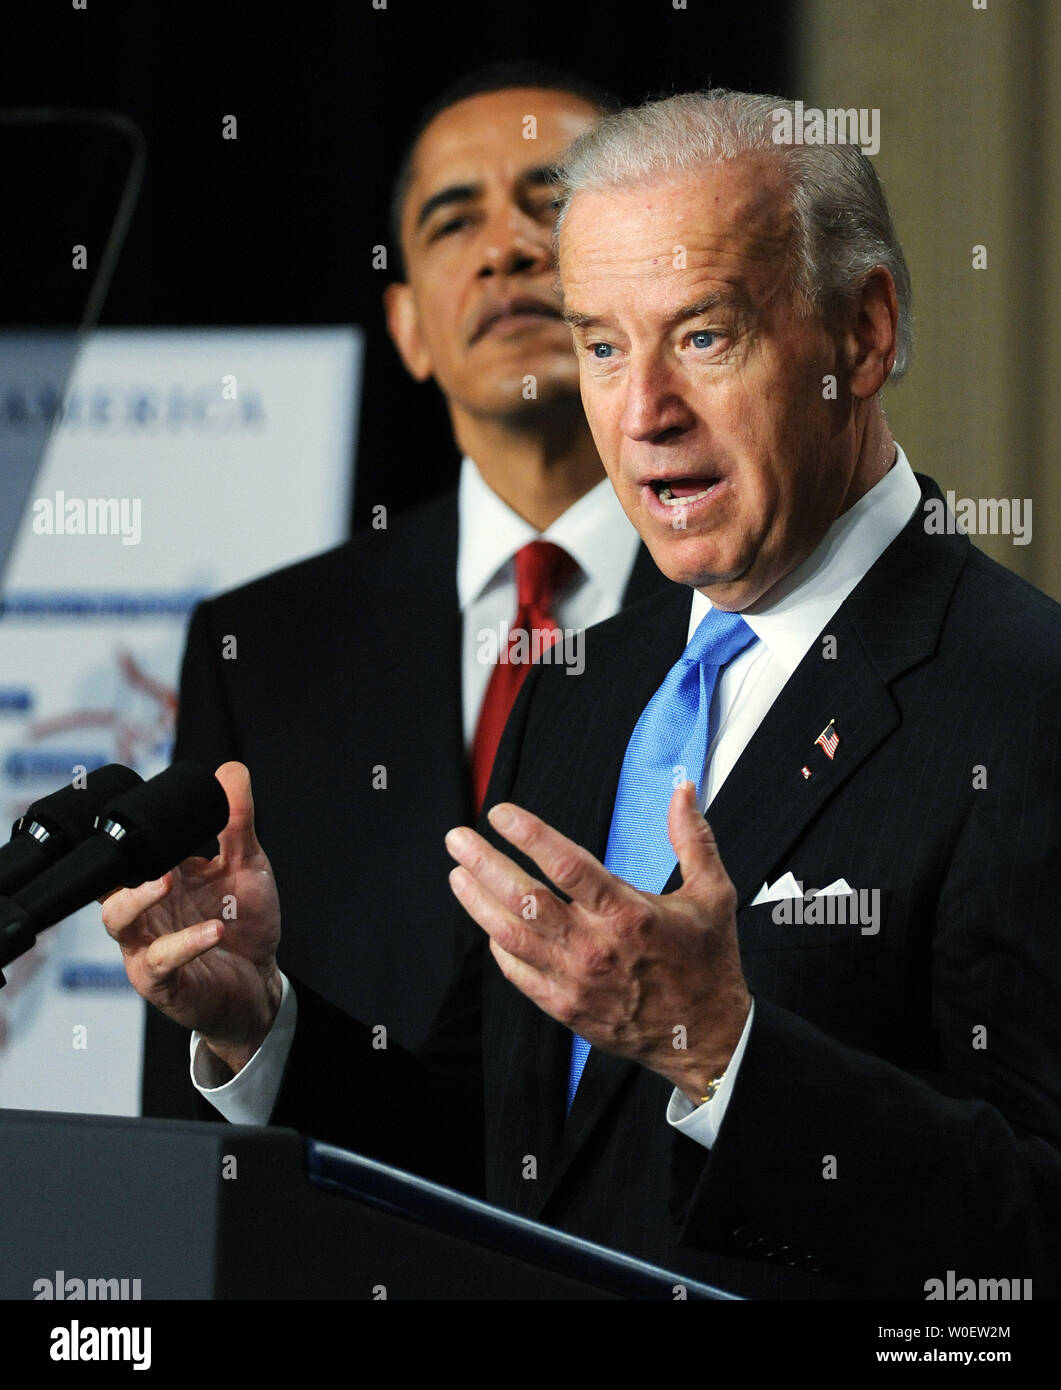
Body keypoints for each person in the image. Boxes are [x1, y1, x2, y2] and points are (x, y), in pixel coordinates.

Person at [110, 89, 1061, 1299]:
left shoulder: (1022, 698)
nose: (642, 412)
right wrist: (263, 1025)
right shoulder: (581, 685)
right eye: (601, 345)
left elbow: (1032, 1230)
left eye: (703, 336)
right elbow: (498, 1153)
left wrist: (720, 1050)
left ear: (862, 334)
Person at [141, 64, 668, 1117]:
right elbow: (199, 1055)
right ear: (409, 327)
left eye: (550, 204)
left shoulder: (755, 602)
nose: (507, 247)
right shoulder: (263, 647)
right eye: (451, 220)